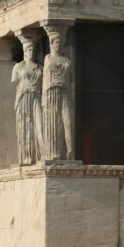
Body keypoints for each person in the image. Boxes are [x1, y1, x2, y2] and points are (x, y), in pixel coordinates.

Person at [42, 25, 74, 161]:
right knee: (53, 122)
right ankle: (55, 154)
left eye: (61, 42)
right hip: (51, 93)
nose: (59, 44)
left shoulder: (67, 61)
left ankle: (70, 152)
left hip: (65, 92)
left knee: (68, 121)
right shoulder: (48, 59)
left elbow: (72, 79)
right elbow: (45, 80)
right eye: (56, 42)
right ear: (51, 43)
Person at [11, 36, 43, 164]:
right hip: (23, 98)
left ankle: (42, 155)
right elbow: (15, 81)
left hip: (37, 98)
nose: (30, 52)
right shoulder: (18, 67)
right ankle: (27, 157)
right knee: (26, 127)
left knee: (39, 126)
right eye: (28, 50)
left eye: (32, 50)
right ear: (24, 51)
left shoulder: (40, 67)